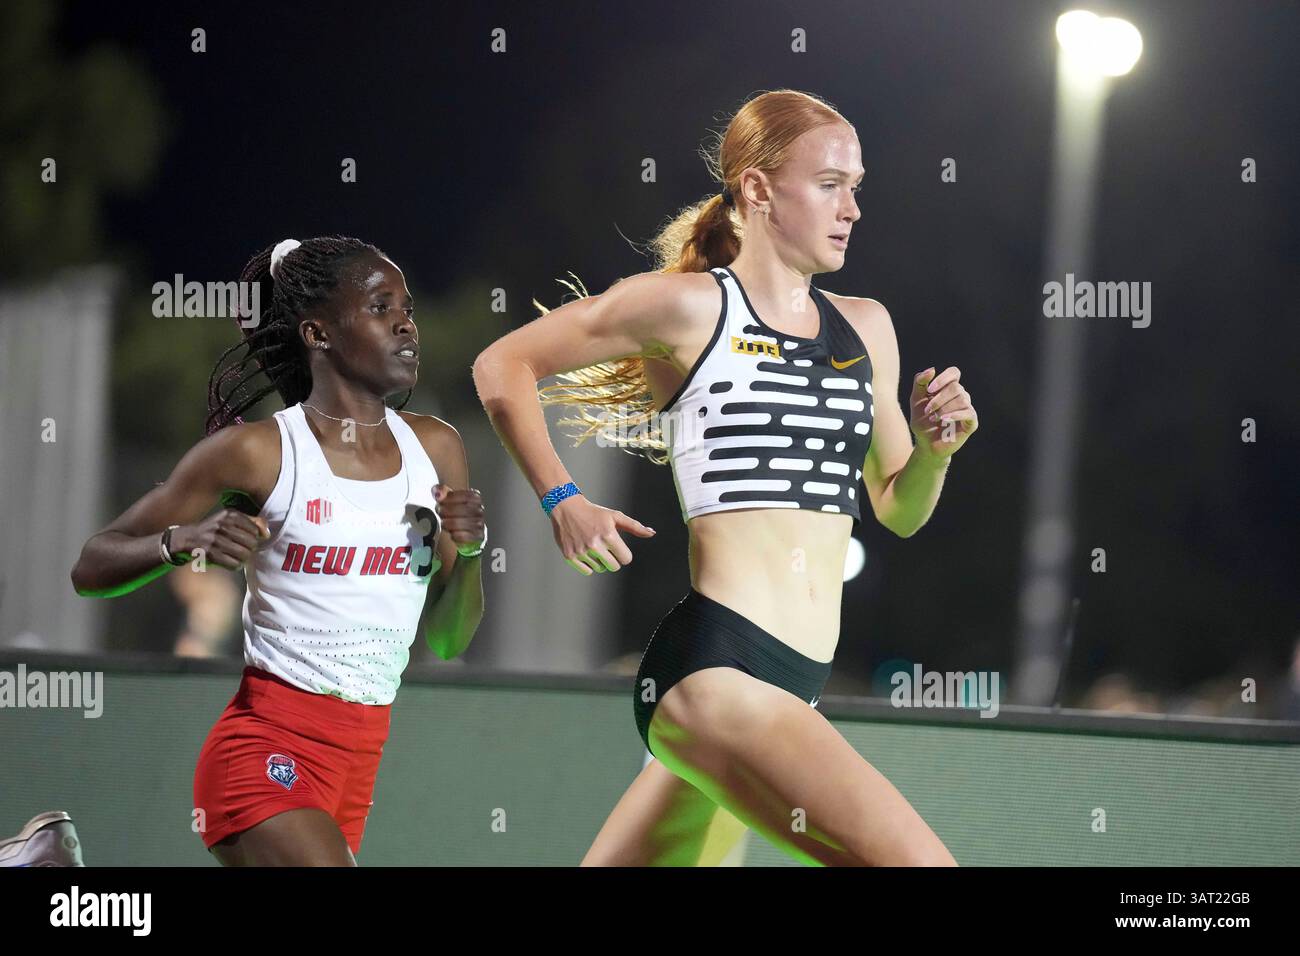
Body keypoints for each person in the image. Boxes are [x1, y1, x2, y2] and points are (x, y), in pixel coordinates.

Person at [473, 90, 977, 866]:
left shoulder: (866, 326)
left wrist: (937, 453)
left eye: (858, 187)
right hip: (717, 671)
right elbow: (502, 363)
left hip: (788, 686)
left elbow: (898, 509)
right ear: (759, 189)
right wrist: (561, 497)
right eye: (831, 184)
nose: (853, 208)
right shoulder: (687, 308)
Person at [71, 236, 487, 865]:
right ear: (317, 334)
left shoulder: (437, 449)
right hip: (266, 750)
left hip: (360, 760)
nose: (407, 324)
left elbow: (451, 640)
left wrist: (474, 552)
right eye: (381, 307)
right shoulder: (261, 453)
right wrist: (183, 541)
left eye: (408, 308)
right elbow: (92, 565)